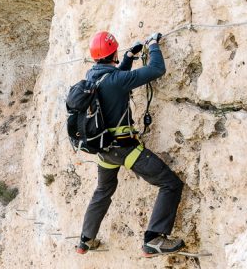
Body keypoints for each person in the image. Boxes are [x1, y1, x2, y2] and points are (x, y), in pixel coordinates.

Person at [76, 30, 185, 257]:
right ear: (112, 52)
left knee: (103, 189)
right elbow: (157, 69)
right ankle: (154, 239)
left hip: (103, 151)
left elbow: (113, 82)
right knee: (170, 184)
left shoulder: (92, 76)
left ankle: (86, 239)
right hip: (125, 149)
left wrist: (128, 58)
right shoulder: (116, 79)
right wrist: (153, 45)